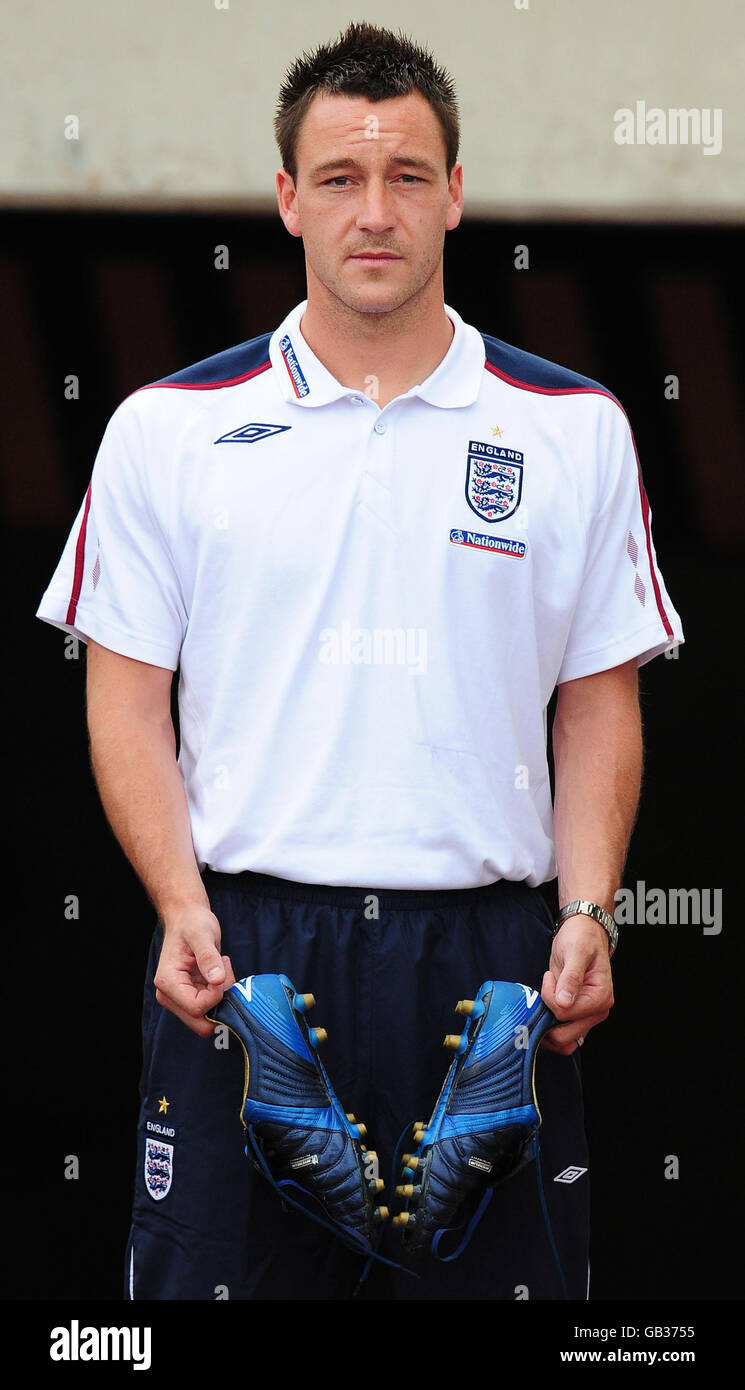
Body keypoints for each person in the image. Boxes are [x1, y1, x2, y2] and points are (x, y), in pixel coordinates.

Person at [36, 21, 684, 1301]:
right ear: (286, 199)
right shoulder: (168, 428)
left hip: (497, 968)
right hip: (241, 954)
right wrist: (178, 905)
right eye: (338, 178)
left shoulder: (573, 429)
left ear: (455, 193)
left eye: (404, 176)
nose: (372, 211)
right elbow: (125, 697)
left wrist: (590, 908)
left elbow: (598, 702)